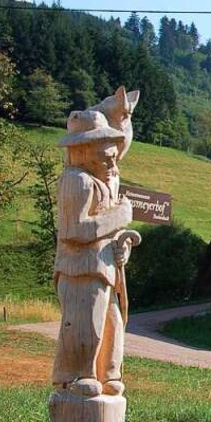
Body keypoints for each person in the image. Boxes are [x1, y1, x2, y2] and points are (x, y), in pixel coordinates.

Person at [52, 110, 134, 397]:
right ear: (84, 151)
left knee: (113, 324)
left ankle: (108, 374)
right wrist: (121, 216)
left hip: (105, 269)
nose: (113, 162)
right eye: (105, 157)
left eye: (113, 155)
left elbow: (107, 234)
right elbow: (75, 230)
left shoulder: (106, 181)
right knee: (86, 324)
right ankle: (78, 374)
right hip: (80, 270)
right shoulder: (78, 181)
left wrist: (121, 248)